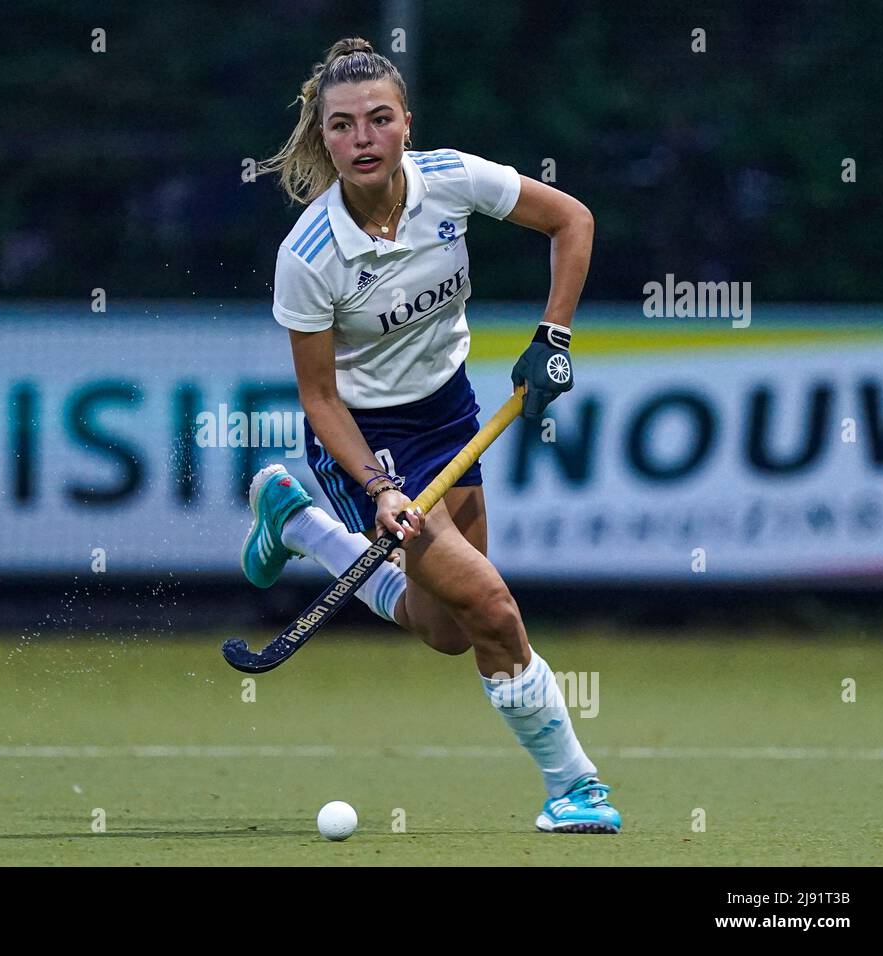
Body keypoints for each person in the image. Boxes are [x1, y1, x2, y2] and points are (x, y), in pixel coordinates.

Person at [241, 37, 620, 833]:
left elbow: (572, 221)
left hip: (448, 415)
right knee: (492, 606)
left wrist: (554, 337)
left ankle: (297, 523)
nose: (363, 138)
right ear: (325, 137)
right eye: (343, 126)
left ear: (405, 124)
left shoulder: (449, 180)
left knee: (448, 630)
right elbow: (317, 396)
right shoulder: (308, 256)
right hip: (363, 436)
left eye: (379, 119)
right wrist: (377, 490)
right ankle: (574, 786)